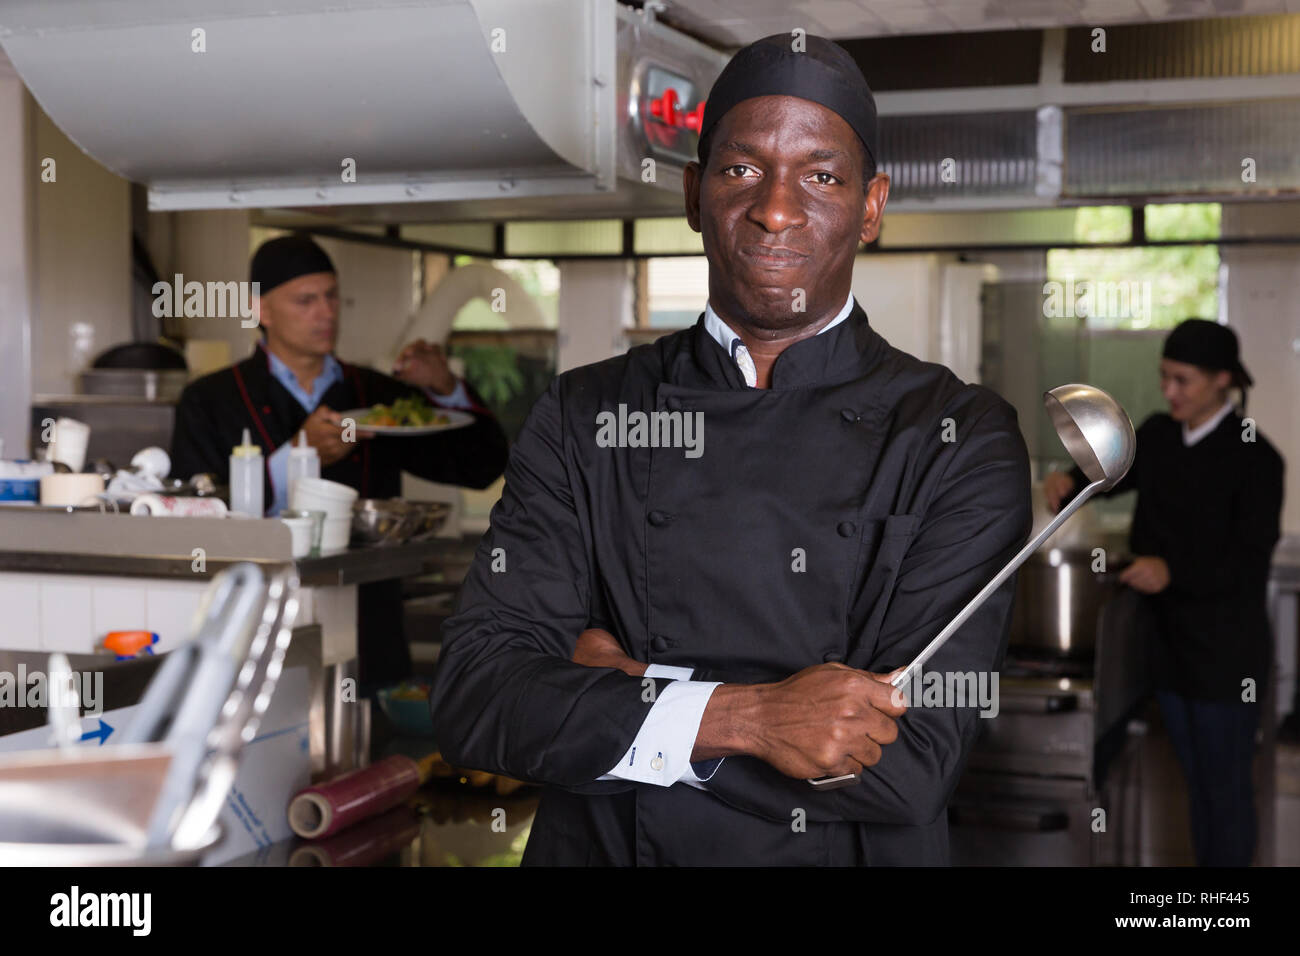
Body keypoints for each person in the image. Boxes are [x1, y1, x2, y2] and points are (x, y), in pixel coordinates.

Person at [429, 34, 1032, 866]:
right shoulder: (587, 410)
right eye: (741, 169)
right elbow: (476, 700)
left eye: (821, 176)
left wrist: (629, 689)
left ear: (871, 207)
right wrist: (750, 719)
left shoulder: (955, 434)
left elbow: (910, 766)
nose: (775, 208)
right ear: (693, 191)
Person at [170, 234, 509, 687]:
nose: (326, 313)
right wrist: (297, 455)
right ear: (260, 310)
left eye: (332, 297)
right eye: (306, 300)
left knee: (373, 750)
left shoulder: (376, 396)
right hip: (256, 620)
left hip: (369, 619)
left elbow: (480, 465)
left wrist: (445, 387)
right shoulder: (210, 400)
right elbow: (192, 515)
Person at [1044, 318, 1283, 866]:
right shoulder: (1155, 435)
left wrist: (1171, 571)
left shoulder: (1256, 459)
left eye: (1183, 381)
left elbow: (1249, 563)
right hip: (1167, 652)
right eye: (1164, 378)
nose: (1169, 392)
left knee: (1224, 793)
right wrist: (1069, 479)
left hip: (1227, 660)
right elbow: (1107, 475)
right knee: (1194, 786)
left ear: (1223, 380)